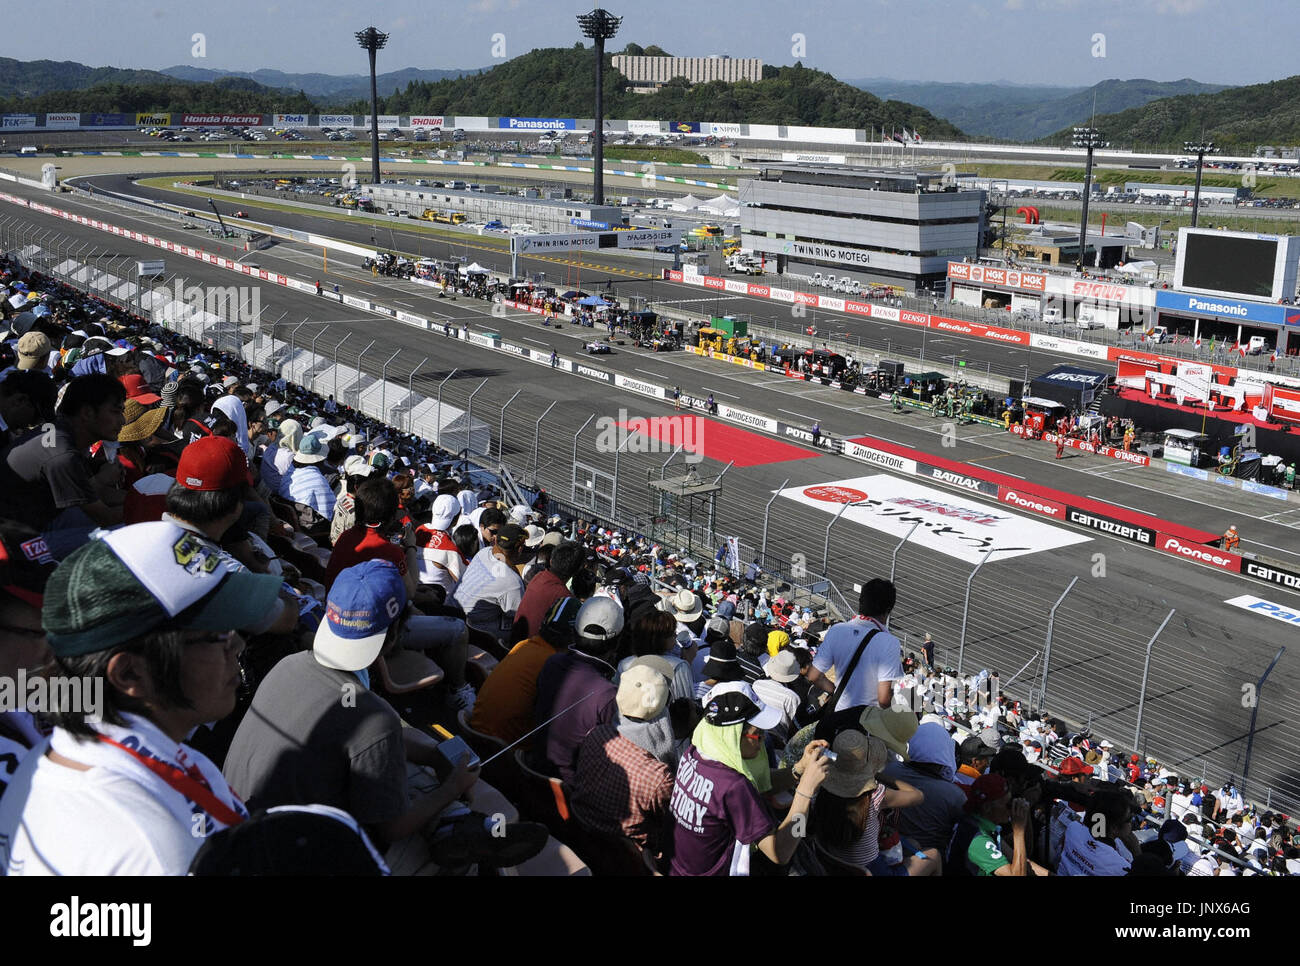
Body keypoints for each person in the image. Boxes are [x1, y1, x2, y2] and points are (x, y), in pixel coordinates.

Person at [0, 521, 286, 874]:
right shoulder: (154, 848)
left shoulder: (90, 747)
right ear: (130, 674)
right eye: (216, 635)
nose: (238, 645)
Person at [222, 560, 546, 868]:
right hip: (292, 859)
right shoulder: (374, 719)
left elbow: (369, 740)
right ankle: (453, 826)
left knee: (401, 765)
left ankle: (453, 826)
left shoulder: (288, 665)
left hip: (241, 830)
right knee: (454, 858)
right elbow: (392, 829)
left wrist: (435, 755)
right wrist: (454, 786)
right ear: (394, 634)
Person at [670, 681, 831, 876]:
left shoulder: (696, 753)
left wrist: (798, 770)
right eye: (757, 734)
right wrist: (805, 794)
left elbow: (759, 784)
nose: (764, 739)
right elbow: (781, 853)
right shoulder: (733, 785)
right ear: (732, 734)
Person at [569, 659, 678, 858]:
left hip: (580, 838)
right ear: (664, 708)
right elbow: (672, 824)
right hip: (631, 859)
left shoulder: (595, 735)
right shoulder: (659, 777)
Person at [808, 729, 939, 876]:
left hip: (837, 864)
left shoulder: (820, 787)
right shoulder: (875, 795)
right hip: (874, 870)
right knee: (934, 855)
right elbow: (918, 796)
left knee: (914, 844)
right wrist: (876, 775)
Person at [533, 595, 624, 783]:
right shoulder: (607, 694)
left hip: (533, 769)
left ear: (574, 633)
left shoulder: (552, 662)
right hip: (572, 787)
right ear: (616, 643)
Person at [806, 578, 902, 714]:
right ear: (889, 609)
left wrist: (838, 692)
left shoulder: (836, 630)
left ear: (860, 602)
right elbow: (884, 699)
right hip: (866, 722)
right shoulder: (890, 642)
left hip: (837, 713)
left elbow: (813, 675)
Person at [946, 774, 1047, 876]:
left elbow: (1018, 857)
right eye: (1007, 804)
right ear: (987, 807)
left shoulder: (979, 825)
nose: (1011, 808)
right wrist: (1019, 831)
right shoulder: (977, 839)